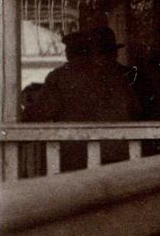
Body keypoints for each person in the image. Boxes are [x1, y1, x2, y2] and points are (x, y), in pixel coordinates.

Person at [27, 26, 141, 169]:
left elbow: (40, 113)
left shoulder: (60, 77)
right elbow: (136, 110)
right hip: (117, 157)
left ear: (70, 52)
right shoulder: (119, 76)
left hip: (76, 159)